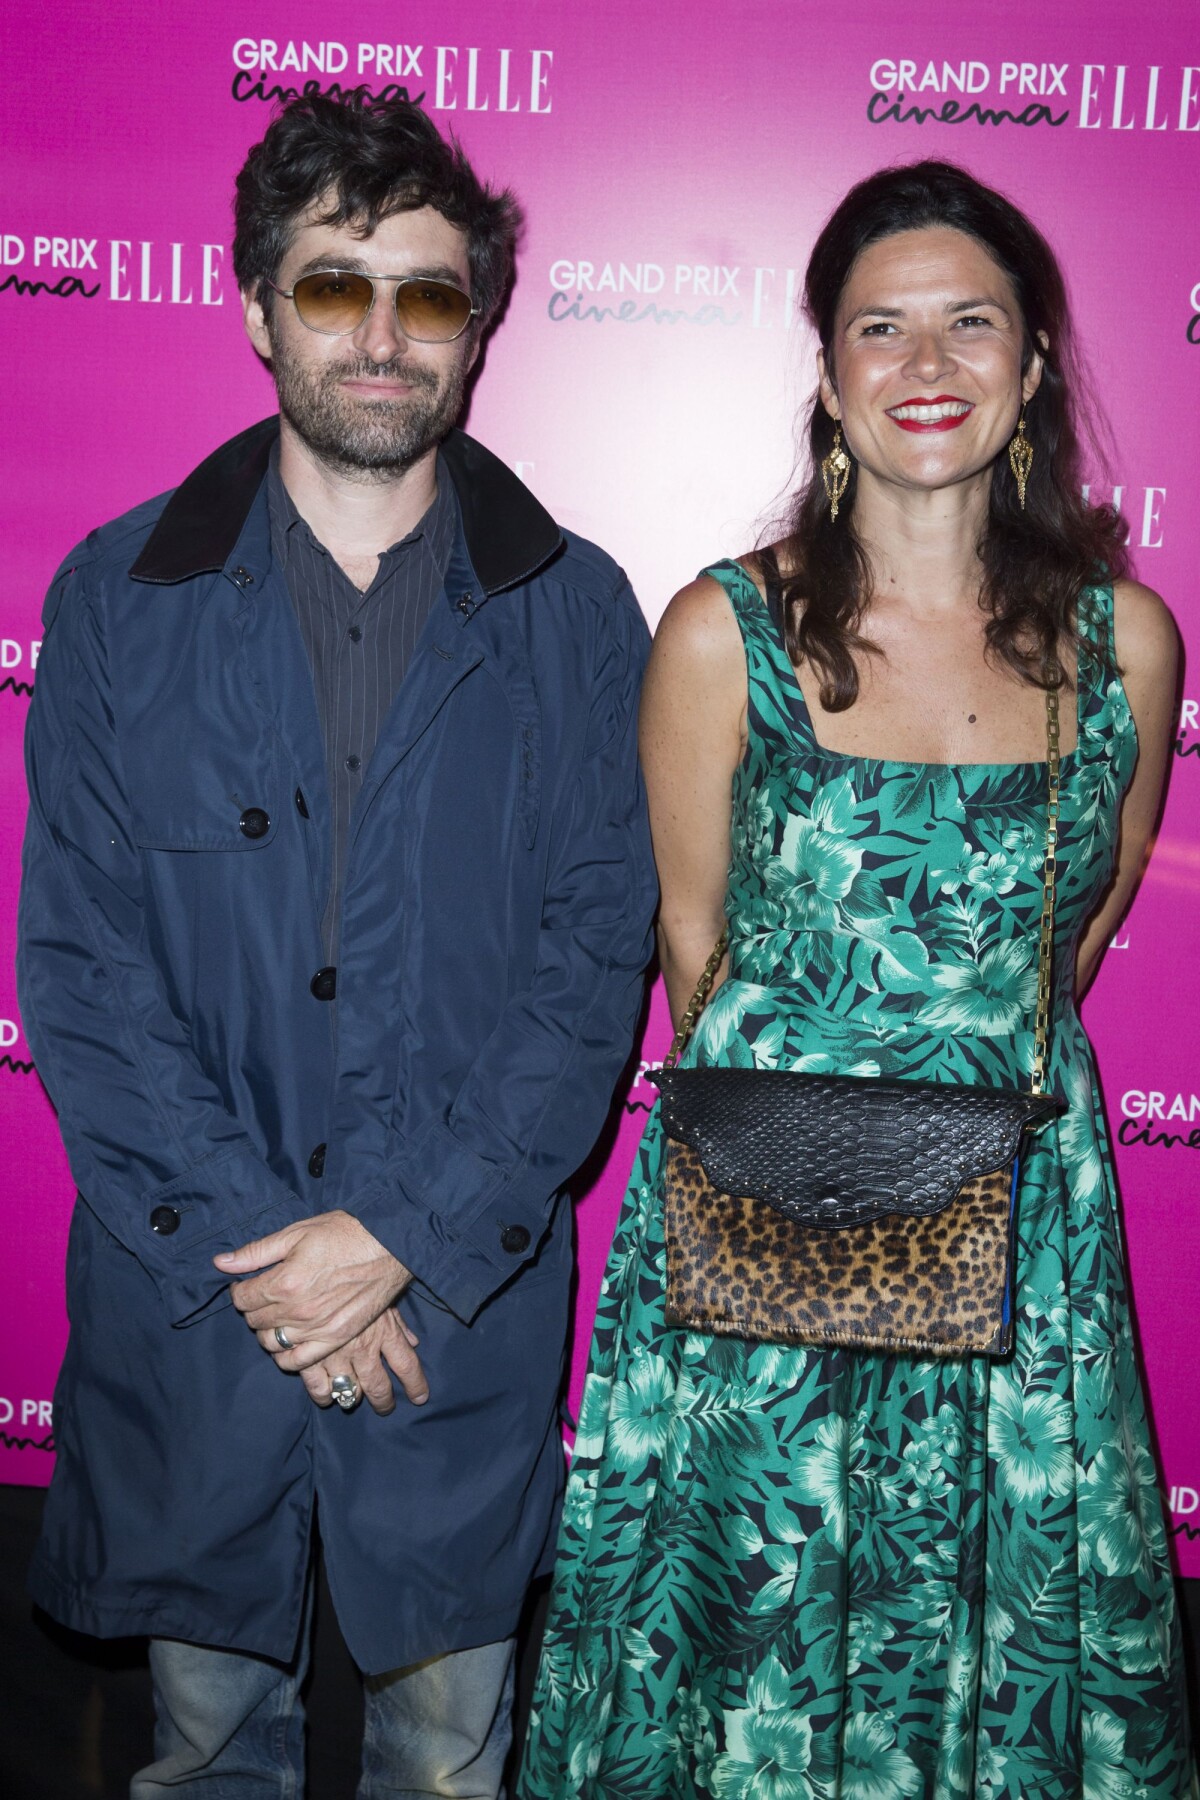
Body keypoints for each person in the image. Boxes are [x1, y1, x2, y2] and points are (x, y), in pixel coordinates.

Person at [520, 160, 1197, 1797]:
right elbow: (696, 958)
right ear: (827, 375)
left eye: (973, 324)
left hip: (1022, 1256)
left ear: (1034, 365)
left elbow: (1071, 946)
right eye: (880, 328)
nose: (927, 365)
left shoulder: (1129, 644)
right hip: (774, 1245)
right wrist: (834, 1156)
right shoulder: (720, 635)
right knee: (745, 1664)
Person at [18, 92, 656, 1798]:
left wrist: (400, 1238)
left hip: (455, 1314)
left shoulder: (580, 614)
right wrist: (283, 1266)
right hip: (205, 1314)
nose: (382, 336)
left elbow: (597, 966)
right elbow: (80, 972)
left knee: (450, 1769)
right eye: (332, 287)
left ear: (479, 327)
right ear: (252, 308)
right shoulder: (111, 599)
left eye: (429, 295)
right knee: (203, 1755)